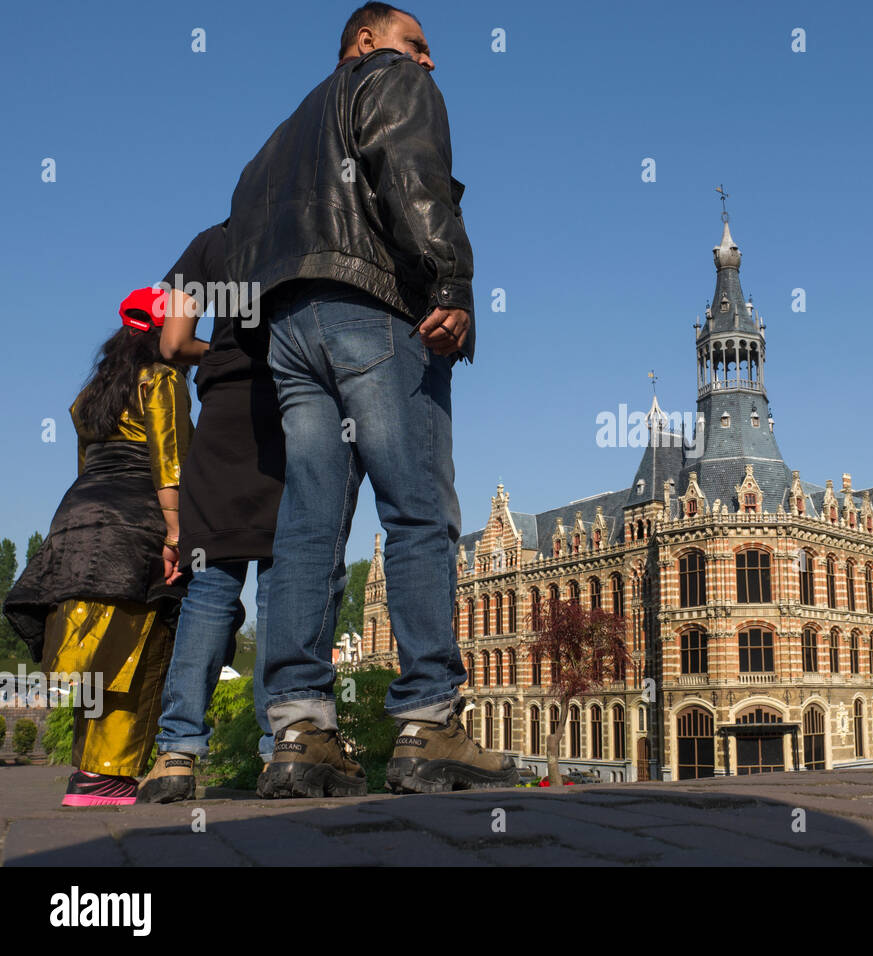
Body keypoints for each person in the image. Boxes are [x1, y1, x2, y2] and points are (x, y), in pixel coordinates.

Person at [226, 2, 516, 797]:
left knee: (309, 526)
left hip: (291, 327)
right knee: (418, 510)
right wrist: (450, 281)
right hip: (377, 311)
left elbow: (239, 243)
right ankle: (428, 722)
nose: (427, 62)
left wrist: (270, 333)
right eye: (416, 44)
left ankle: (298, 731)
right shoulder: (387, 82)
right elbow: (412, 176)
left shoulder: (278, 141)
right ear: (365, 42)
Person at [3, 289, 193, 806]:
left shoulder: (91, 396)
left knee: (98, 659)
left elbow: (84, 468)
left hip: (77, 522)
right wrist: (176, 533)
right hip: (136, 522)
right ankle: (108, 777)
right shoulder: (162, 378)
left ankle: (86, 774)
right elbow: (170, 461)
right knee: (136, 650)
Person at [136, 222, 284, 803]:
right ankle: (281, 749)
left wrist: (219, 351)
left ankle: (177, 753)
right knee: (282, 587)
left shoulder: (210, 243)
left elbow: (172, 344)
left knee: (210, 590)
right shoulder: (296, 230)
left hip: (222, 418)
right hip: (287, 409)